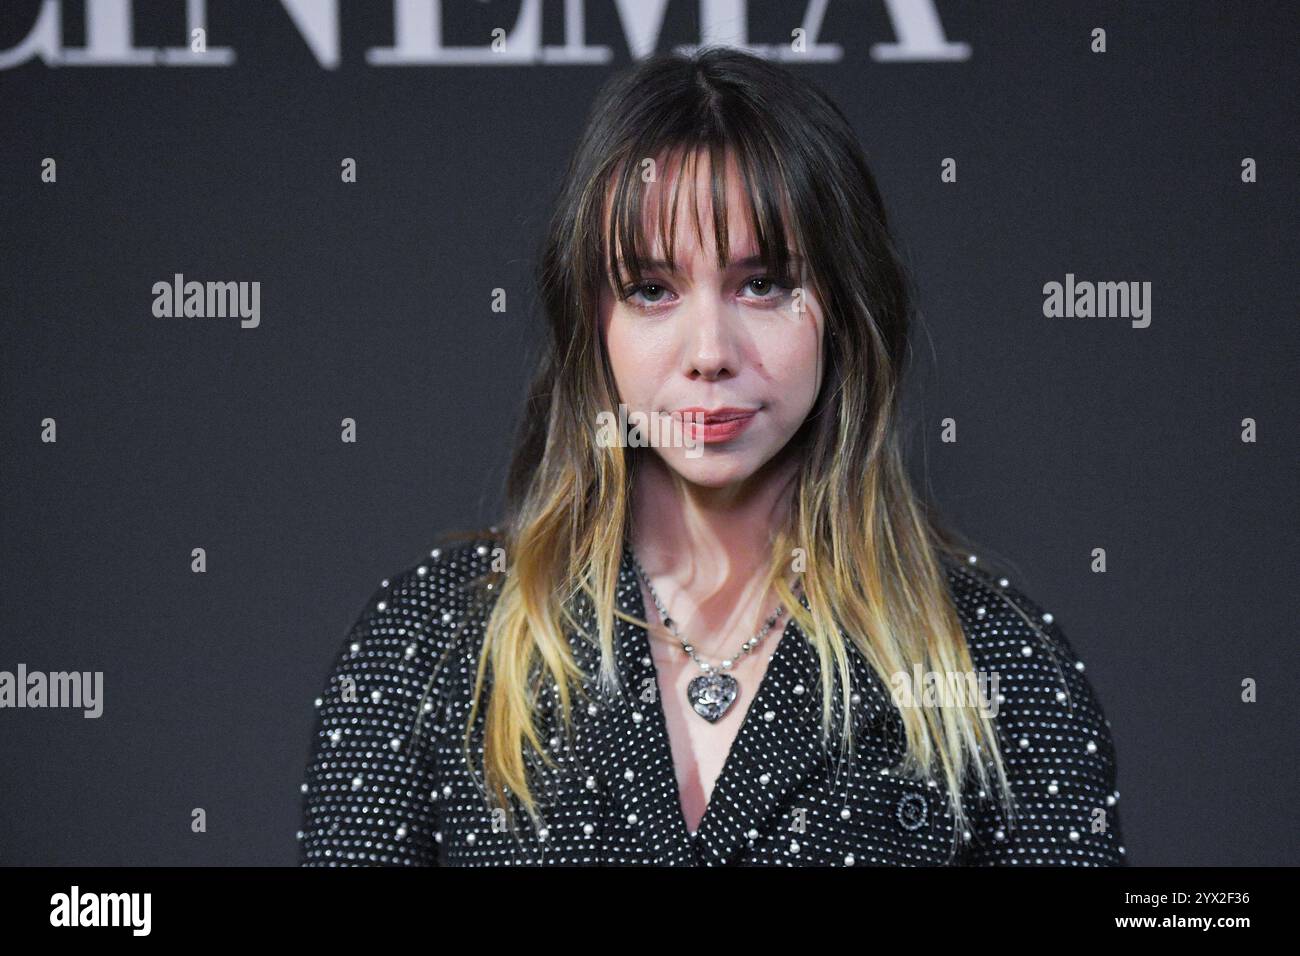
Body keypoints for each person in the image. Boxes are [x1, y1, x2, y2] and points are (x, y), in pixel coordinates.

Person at [299, 46, 1126, 866]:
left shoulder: (994, 664)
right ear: (593, 321)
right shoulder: (431, 645)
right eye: (651, 289)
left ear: (844, 306)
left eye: (762, 283)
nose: (709, 351)